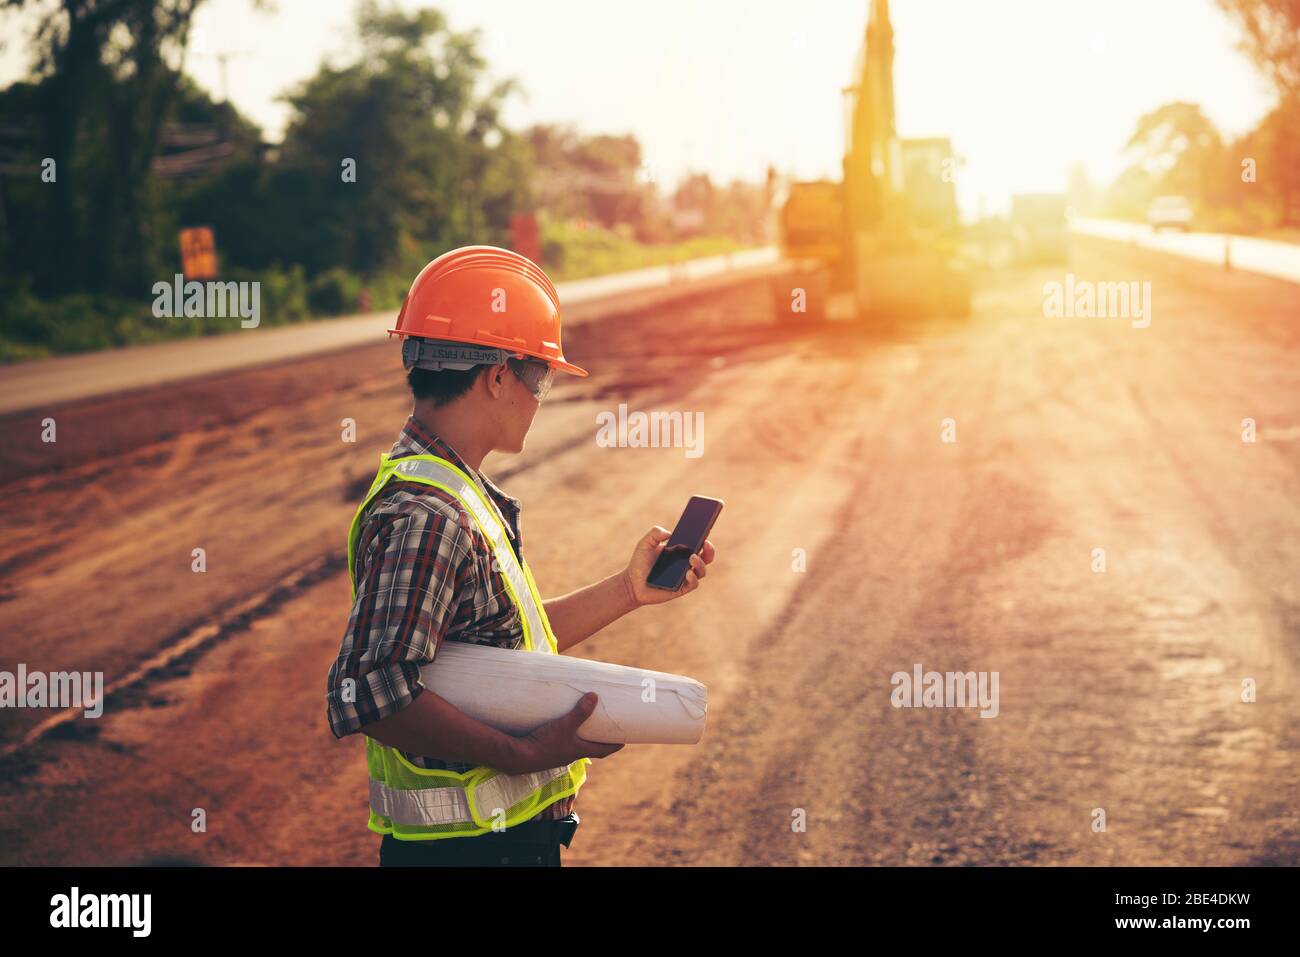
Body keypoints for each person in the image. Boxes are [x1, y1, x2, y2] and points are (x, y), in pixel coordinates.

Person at [326, 246, 716, 866]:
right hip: (470, 856)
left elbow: (501, 651)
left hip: (504, 847)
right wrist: (524, 753)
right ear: (498, 376)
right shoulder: (429, 518)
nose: (541, 397)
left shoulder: (459, 493)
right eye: (542, 376)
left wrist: (628, 590)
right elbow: (368, 691)